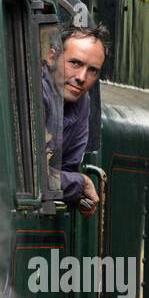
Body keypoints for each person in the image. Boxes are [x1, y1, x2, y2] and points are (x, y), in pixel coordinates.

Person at [41, 24, 108, 215]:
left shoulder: (82, 101)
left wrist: (73, 187)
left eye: (93, 70)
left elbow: (67, 170)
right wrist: (81, 183)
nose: (81, 77)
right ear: (52, 57)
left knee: (55, 247)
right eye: (75, 63)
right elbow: (30, 177)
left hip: (47, 229)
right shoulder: (34, 91)